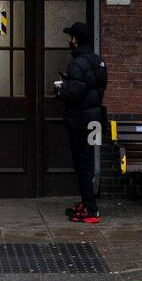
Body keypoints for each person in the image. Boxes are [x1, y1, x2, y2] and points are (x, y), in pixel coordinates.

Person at [55, 22, 108, 224]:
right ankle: (87, 202)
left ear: (75, 40)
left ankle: (91, 210)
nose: (69, 41)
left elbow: (74, 93)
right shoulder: (99, 61)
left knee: (82, 164)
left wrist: (60, 90)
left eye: (71, 38)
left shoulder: (77, 64)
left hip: (80, 120)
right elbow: (98, 87)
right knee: (89, 160)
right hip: (95, 119)